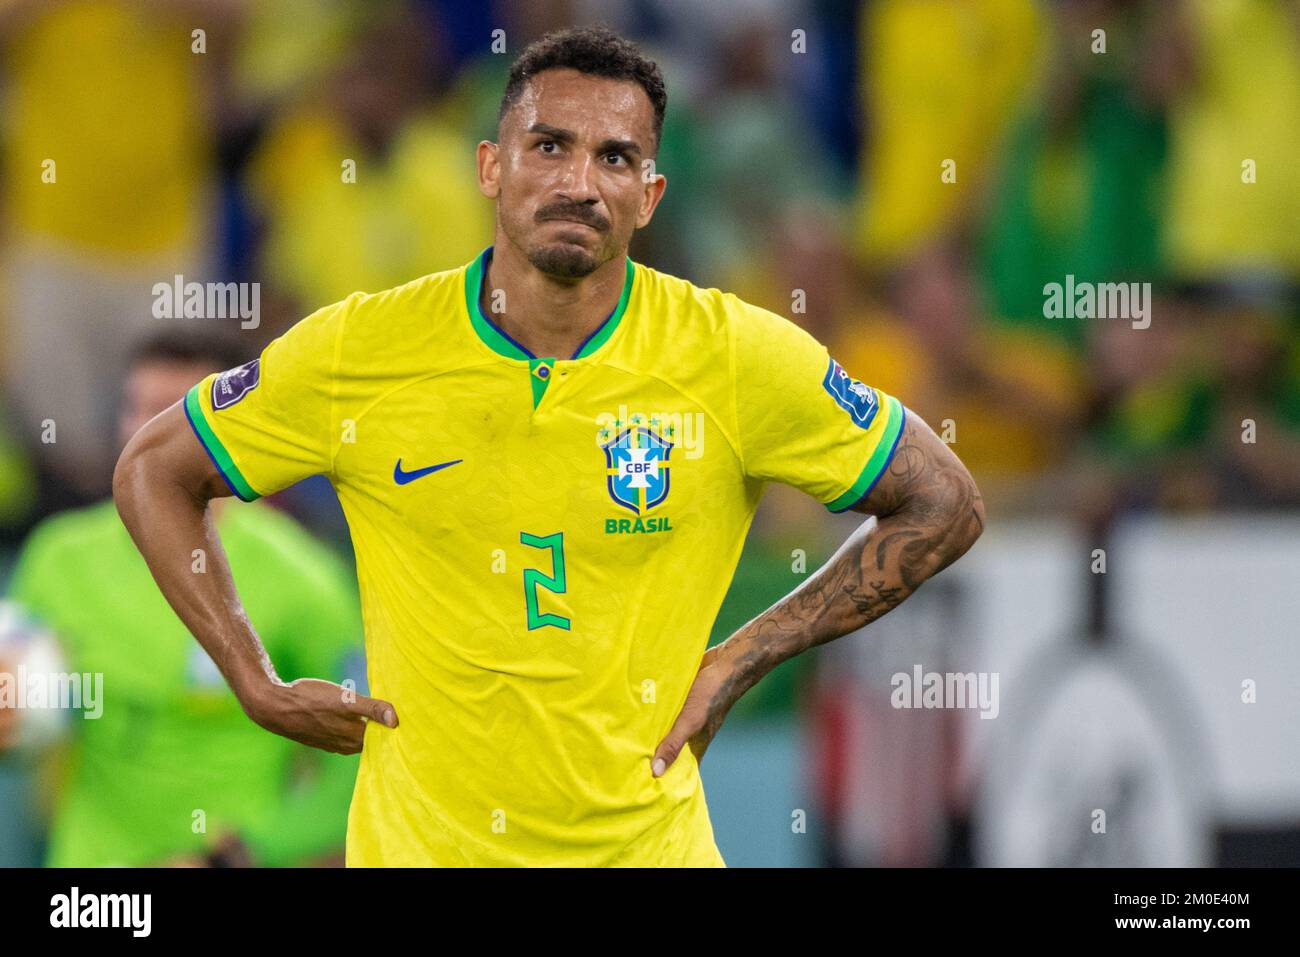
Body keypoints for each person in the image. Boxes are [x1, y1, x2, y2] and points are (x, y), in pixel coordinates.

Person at [113, 27, 984, 867]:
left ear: (650, 195)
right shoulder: (361, 350)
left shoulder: (734, 359)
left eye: (615, 157)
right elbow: (155, 468)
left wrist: (744, 654)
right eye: (549, 146)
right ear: (492, 168)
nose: (580, 181)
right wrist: (253, 679)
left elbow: (946, 501)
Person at [3, 333, 363, 867]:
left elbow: (365, 749)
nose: (150, 436)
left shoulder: (302, 578)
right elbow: (26, 716)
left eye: (175, 416)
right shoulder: (59, 557)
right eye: (138, 410)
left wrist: (247, 852)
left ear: (233, 432)